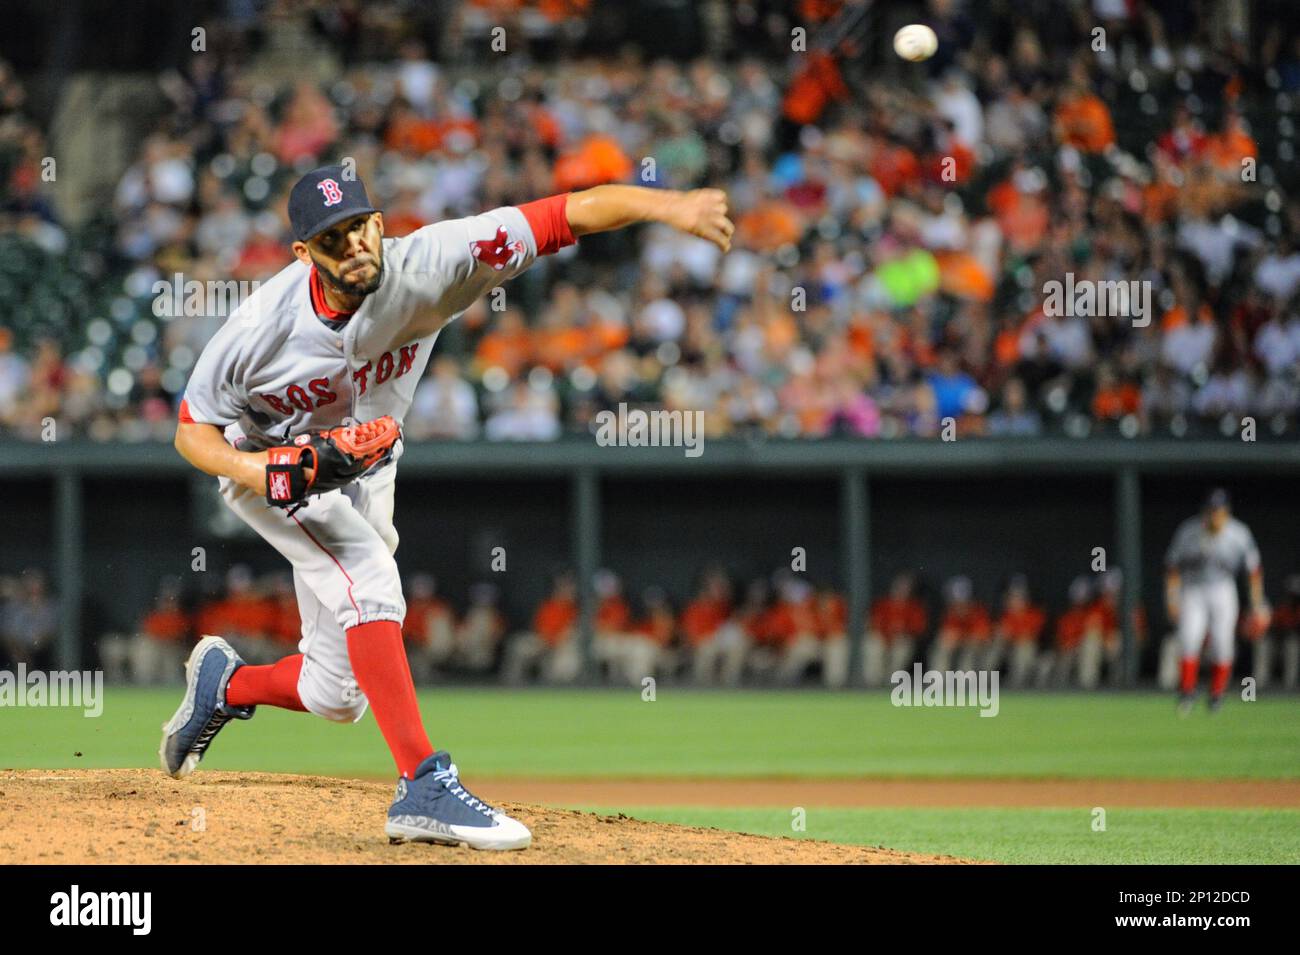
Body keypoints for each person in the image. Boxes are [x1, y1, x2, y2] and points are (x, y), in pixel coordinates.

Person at [160, 163, 733, 851]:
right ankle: (422, 785)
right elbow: (191, 429)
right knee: (371, 580)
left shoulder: (434, 262)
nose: (355, 245)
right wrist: (253, 467)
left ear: (380, 223)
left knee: (335, 693)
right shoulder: (260, 325)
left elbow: (564, 215)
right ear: (303, 253)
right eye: (333, 239)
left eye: (360, 227)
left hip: (365, 464)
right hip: (274, 463)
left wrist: (670, 206)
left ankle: (228, 685)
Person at [1165, 489, 1268, 715]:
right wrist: (1172, 598)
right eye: (1211, 511)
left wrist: (1257, 603)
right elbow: (1172, 568)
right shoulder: (1189, 531)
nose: (1215, 516)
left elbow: (1254, 571)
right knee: (1189, 638)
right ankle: (1187, 693)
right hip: (1193, 589)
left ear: (1226, 512)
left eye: (1219, 512)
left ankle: (1216, 694)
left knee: (1222, 643)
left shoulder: (1239, 533)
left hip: (1223, 589)